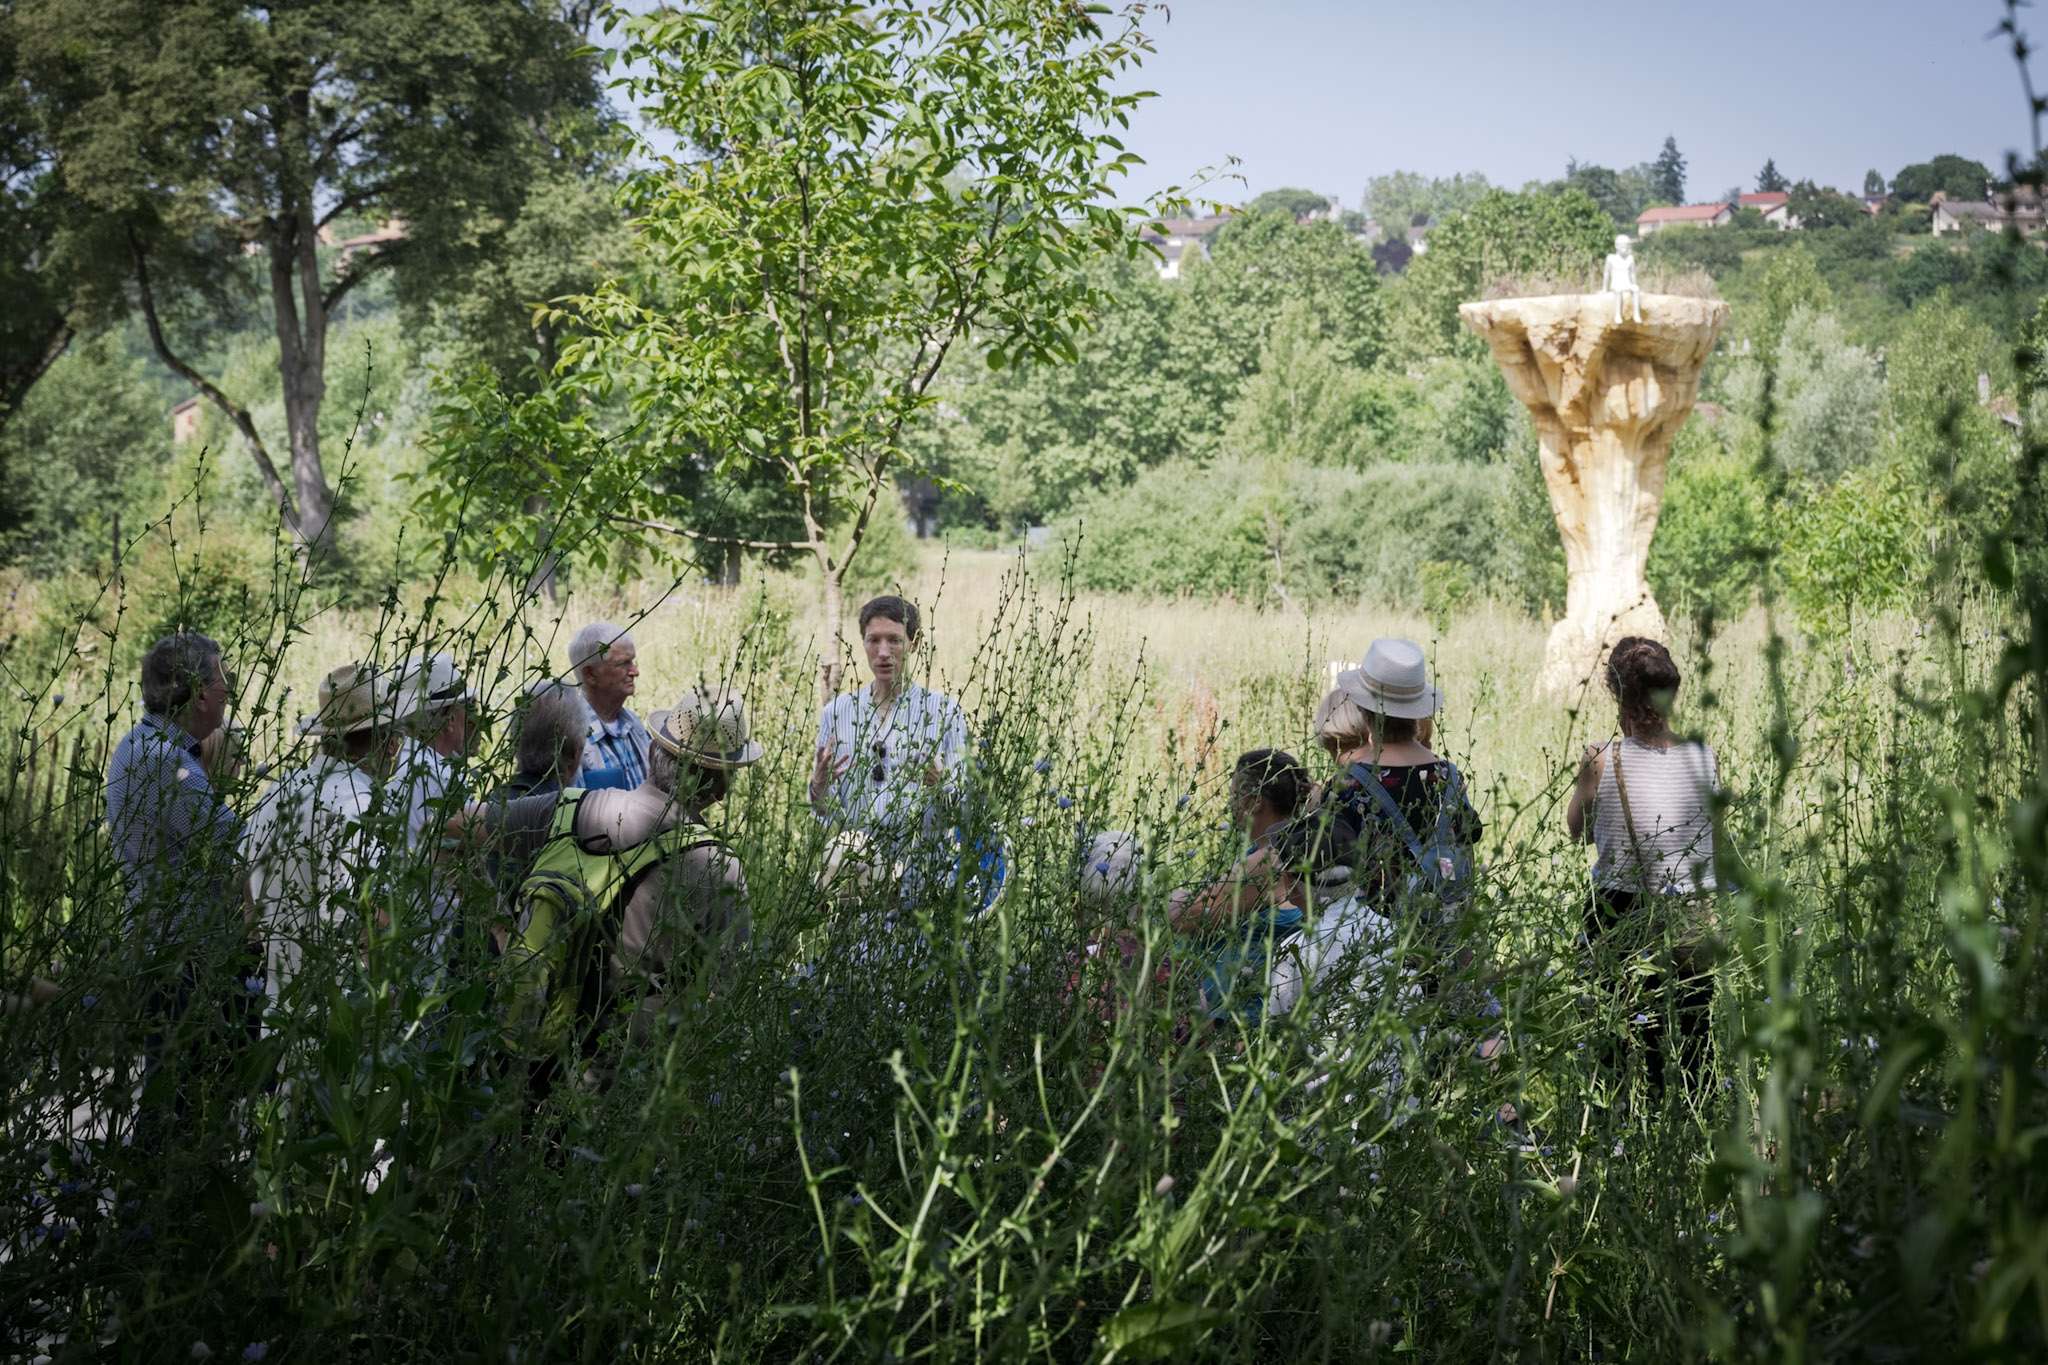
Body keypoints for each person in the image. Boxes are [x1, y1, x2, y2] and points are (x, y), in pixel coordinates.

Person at [463, 688, 758, 1091]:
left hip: (530, 1069)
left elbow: (446, 830)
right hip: (629, 1094)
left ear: (653, 753)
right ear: (722, 788)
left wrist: (501, 930)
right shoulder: (721, 870)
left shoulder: (570, 810)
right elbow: (721, 1007)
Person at [1268, 641, 1484, 1012]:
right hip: (1446, 942)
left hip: (1380, 954)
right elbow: (1469, 844)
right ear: (1418, 711)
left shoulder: (1350, 784)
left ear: (1364, 710)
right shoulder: (1449, 775)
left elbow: (1329, 867)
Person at [105, 633, 251, 1127]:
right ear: (201, 694)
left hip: (168, 947)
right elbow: (236, 842)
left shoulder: (151, 747)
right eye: (224, 680)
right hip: (177, 955)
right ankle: (150, 1178)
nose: (230, 691)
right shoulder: (163, 761)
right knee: (179, 1107)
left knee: (179, 1095)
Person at [1566, 636, 1721, 1097]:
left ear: (1617, 694)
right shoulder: (1704, 756)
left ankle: (1618, 1115)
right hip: (1691, 911)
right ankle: (1692, 1111)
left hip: (1619, 910)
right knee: (1693, 1033)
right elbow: (1711, 839)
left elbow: (1576, 830)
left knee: (1612, 1032)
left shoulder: (1601, 758)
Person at [242, 660, 417, 1028]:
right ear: (388, 742)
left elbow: (242, 884)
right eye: (396, 735)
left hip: (279, 1017)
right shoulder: (365, 807)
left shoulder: (276, 793)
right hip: (344, 1022)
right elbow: (374, 919)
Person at [809, 596, 967, 898]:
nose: (883, 652)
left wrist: (943, 785)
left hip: (923, 880)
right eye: (874, 640)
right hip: (855, 882)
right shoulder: (837, 713)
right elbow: (823, 811)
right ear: (863, 642)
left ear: (914, 643)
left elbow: (966, 809)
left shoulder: (945, 713)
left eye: (894, 640)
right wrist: (819, 784)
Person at [1169, 750, 1315, 1022]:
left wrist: (1179, 897)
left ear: (1255, 802)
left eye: (1233, 794)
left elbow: (1183, 916)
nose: (1229, 803)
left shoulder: (1269, 861)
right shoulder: (1284, 846)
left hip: (1246, 1019)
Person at [569, 621, 650, 791]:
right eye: (623, 664)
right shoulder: (572, 742)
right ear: (590, 674)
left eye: (632, 661)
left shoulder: (633, 725)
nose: (635, 672)